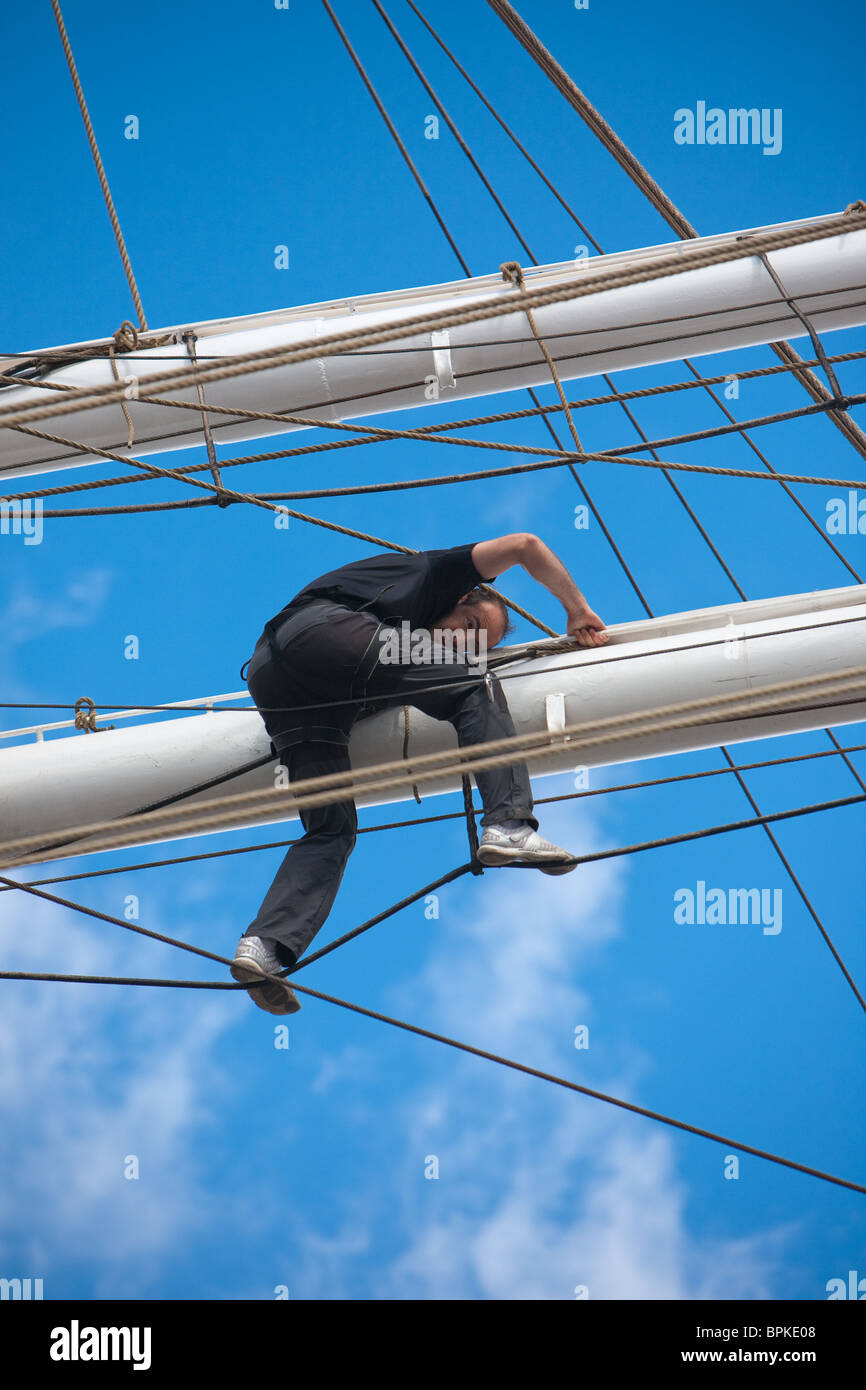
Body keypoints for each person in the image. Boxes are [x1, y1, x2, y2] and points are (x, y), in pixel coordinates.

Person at [230, 533, 607, 1014]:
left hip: (280, 682)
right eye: (470, 624)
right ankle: (508, 823)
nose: (463, 643)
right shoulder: (433, 577)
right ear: (461, 596)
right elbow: (526, 545)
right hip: (323, 632)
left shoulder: (398, 657)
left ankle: (264, 948)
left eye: (476, 644)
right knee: (474, 683)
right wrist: (576, 609)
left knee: (332, 830)